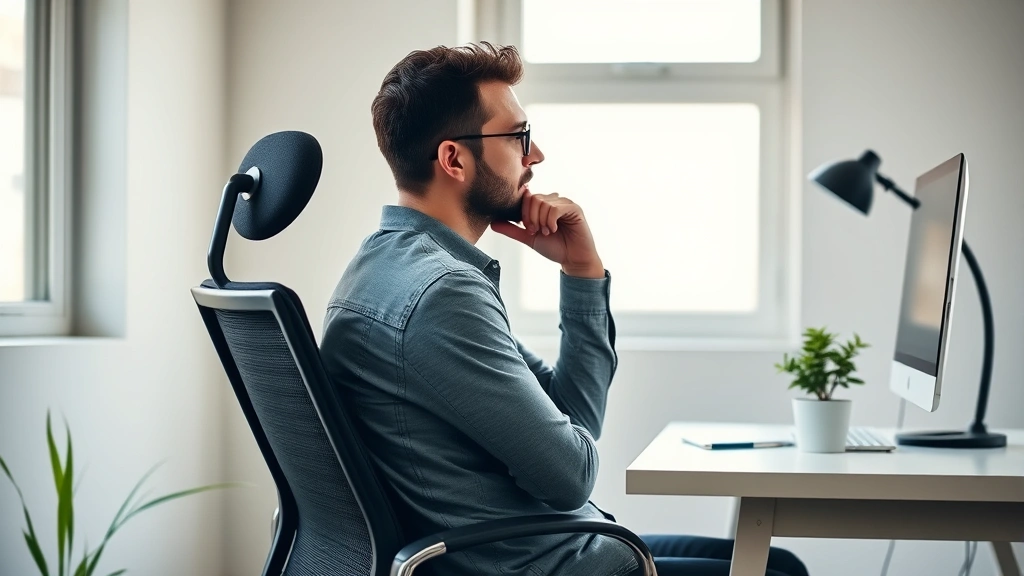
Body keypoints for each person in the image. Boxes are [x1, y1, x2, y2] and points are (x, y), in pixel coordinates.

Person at [320, 42, 808, 576]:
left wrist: (582, 273)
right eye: (518, 137)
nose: (536, 156)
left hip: (531, 545)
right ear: (454, 158)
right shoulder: (443, 293)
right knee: (778, 572)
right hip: (538, 561)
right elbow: (571, 476)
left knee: (773, 560)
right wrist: (562, 443)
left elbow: (568, 414)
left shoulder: (383, 265)